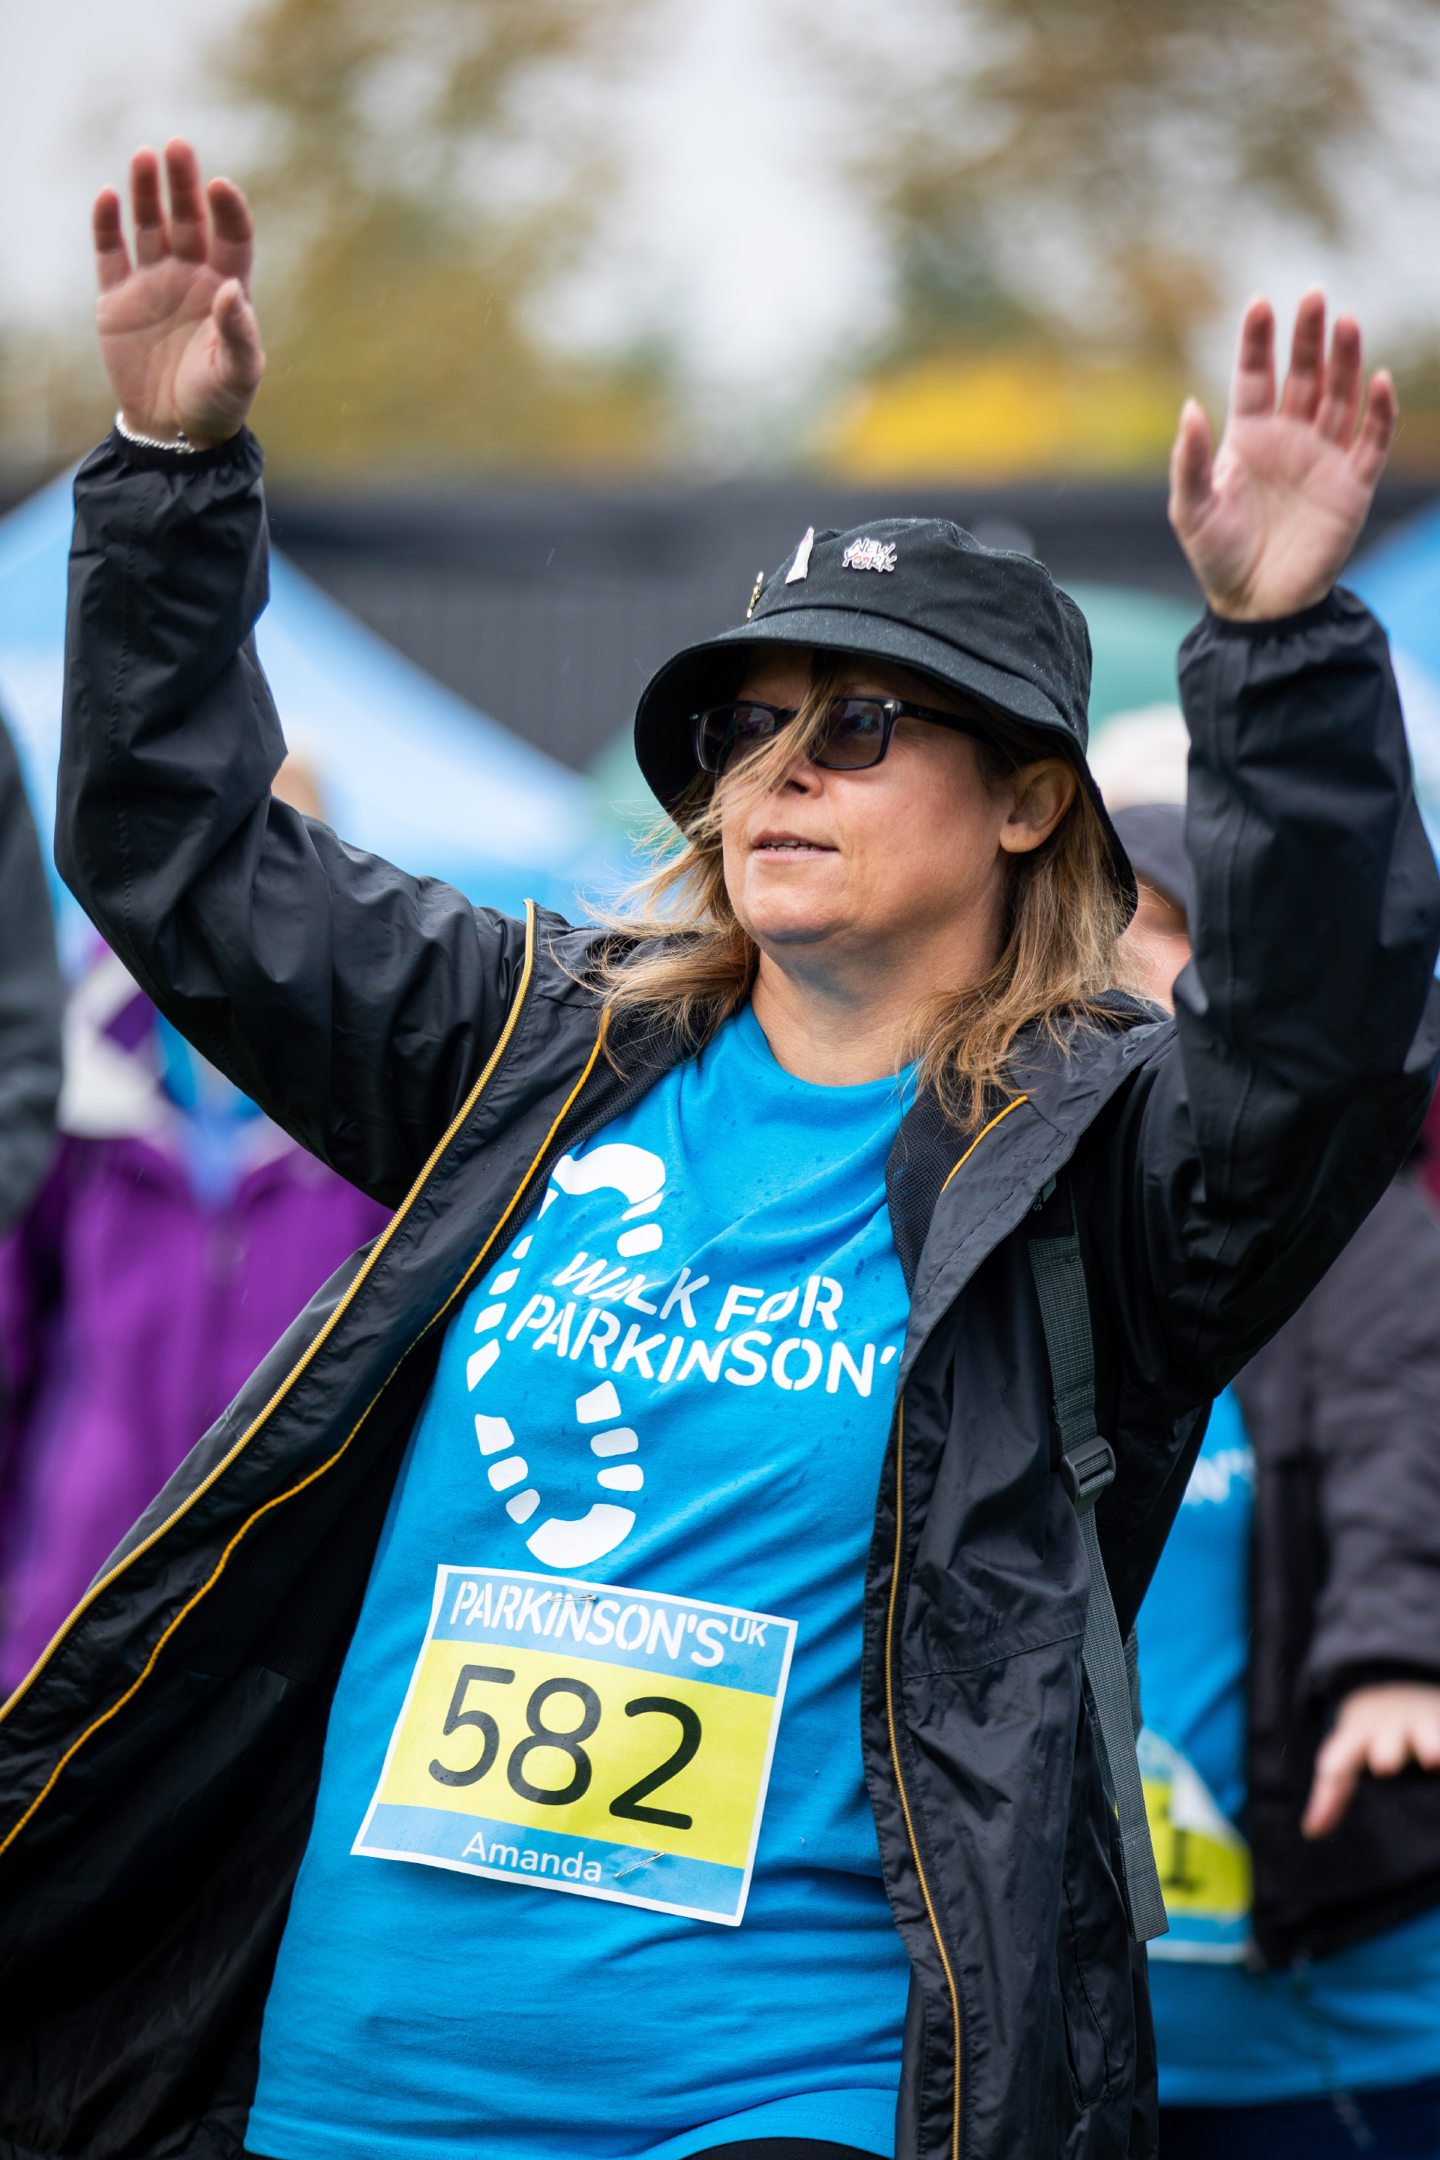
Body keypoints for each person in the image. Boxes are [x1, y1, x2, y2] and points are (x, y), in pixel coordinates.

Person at [0, 137, 1437, 2160]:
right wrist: (164, 475)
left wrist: (1281, 658)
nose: (782, 768)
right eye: (749, 727)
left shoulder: (1093, 1170)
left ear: (1032, 805)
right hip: (356, 2089)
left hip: (792, 2091)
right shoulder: (525, 1044)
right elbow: (183, 856)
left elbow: (1319, 1045)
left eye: (861, 727)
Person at [1114, 802, 1440, 2160]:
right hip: (1053, 2033)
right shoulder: (998, 1224)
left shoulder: (1352, 1226)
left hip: (1334, 2034)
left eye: (1139, 926)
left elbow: (1400, 1422)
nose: (1095, 962)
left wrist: (1394, 1658)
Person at [0, 757, 389, 1692]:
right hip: (66, 1613)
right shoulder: (72, 1085)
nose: (245, 895)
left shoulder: (389, 1115)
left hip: (287, 1638)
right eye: (215, 855)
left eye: (283, 859)